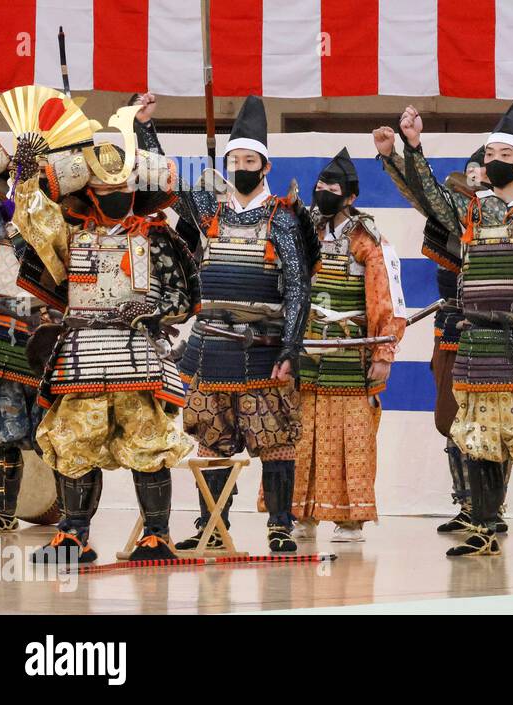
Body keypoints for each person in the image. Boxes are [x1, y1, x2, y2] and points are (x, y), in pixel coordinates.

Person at [0, 87, 198, 563]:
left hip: (136, 351)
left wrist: (148, 311)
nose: (116, 199)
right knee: (72, 442)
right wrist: (27, 175)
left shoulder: (157, 236)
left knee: (148, 440)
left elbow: (180, 298)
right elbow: (31, 228)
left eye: (123, 191)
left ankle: (156, 535)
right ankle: (73, 534)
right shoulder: (73, 235)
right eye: (106, 192)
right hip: (82, 351)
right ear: (90, 193)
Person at [375, 97, 513, 558]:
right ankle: (484, 528)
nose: (494, 163)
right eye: (489, 156)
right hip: (475, 343)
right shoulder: (472, 213)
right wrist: (409, 149)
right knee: (478, 441)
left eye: (504, 156)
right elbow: (430, 199)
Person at [167, 96, 314, 553]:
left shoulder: (282, 219)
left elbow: (298, 287)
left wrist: (291, 347)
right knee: (211, 442)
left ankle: (280, 526)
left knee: (275, 443)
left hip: (262, 349)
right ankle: (212, 524)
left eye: (250, 160)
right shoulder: (210, 213)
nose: (241, 166)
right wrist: (142, 126)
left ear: (265, 165)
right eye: (234, 160)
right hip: (212, 347)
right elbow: (170, 179)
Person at [377, 145, 511, 535]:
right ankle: (467, 505)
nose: (479, 174)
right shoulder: (453, 212)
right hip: (453, 328)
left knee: (495, 423)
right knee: (453, 421)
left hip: (497, 332)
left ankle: (493, 507)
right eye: (473, 168)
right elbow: (422, 193)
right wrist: (393, 158)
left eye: (485, 167)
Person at [288, 149, 405, 542]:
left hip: (350, 350)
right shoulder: (304, 231)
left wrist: (384, 353)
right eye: (319, 185)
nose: (322, 192)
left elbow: (385, 297)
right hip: (307, 349)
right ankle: (300, 514)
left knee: (351, 437)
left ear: (350, 196)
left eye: (331, 187)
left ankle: (350, 519)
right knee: (302, 435)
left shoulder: (368, 239)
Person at [0, 135, 51, 534]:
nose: (18, 184)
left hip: (41, 326)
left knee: (50, 426)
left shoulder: (55, 221)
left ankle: (70, 517)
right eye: (14, 176)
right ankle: (3, 511)